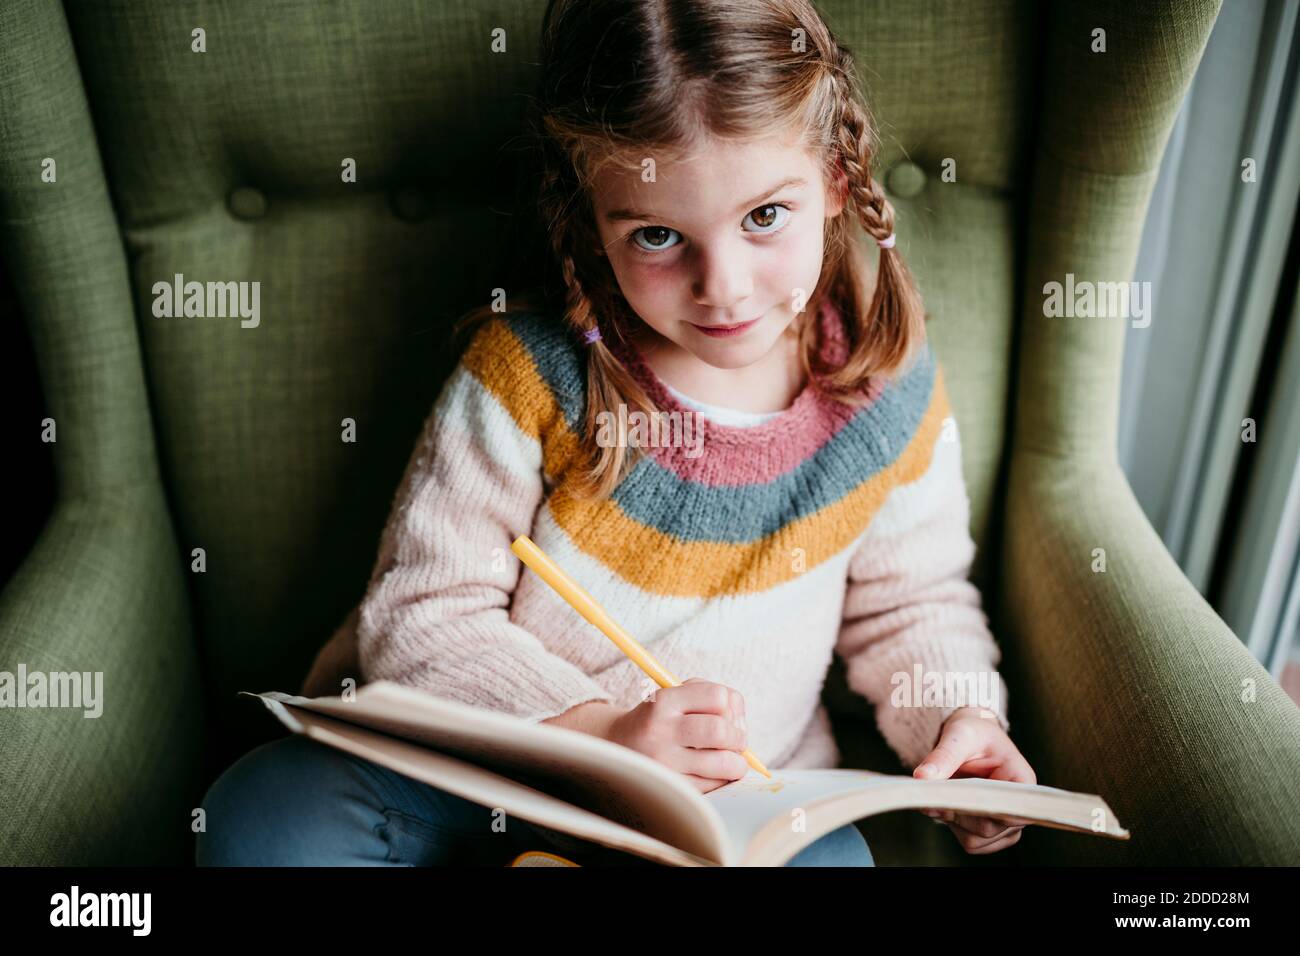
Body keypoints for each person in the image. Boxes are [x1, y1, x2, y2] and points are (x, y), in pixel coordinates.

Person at [198, 0, 1036, 868]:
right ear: (593, 223)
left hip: (727, 819)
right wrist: (600, 734)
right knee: (268, 814)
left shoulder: (883, 389)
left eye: (763, 218)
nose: (724, 287)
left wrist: (958, 724)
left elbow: (913, 603)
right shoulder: (528, 376)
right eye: (659, 236)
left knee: (839, 866)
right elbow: (421, 612)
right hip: (492, 783)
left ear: (833, 175)